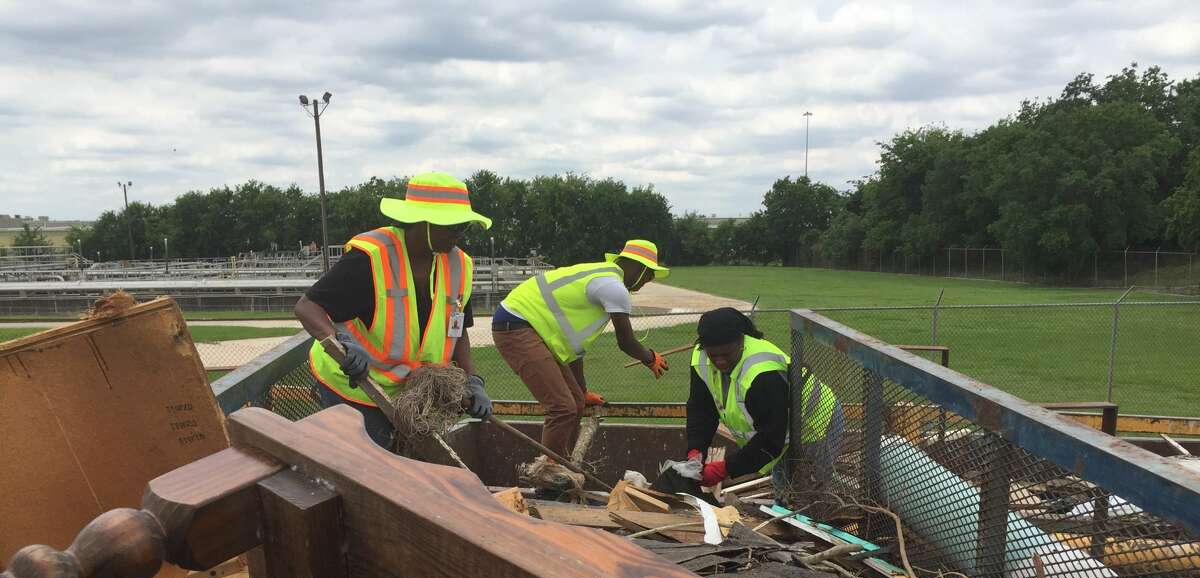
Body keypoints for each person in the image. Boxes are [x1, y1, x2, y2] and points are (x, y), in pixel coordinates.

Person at [294, 172, 493, 449]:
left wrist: (473, 381)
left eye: (464, 226)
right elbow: (307, 307)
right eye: (452, 226)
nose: (459, 233)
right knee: (370, 465)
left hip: (407, 390)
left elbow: (457, 330)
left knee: (402, 463)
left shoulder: (459, 265)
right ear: (423, 222)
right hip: (355, 384)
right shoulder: (371, 257)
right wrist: (343, 345)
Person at [492, 239, 670, 458]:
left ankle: (564, 467)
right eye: (650, 274)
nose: (649, 280)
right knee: (562, 408)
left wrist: (582, 391)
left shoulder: (602, 276)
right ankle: (549, 480)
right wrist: (650, 358)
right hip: (517, 324)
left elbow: (573, 348)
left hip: (529, 326)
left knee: (575, 403)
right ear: (639, 268)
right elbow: (626, 342)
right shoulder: (614, 287)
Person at [685, 307, 844, 500]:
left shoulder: (761, 373)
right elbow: (702, 409)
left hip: (816, 424)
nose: (720, 361)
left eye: (726, 354)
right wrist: (696, 449)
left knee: (809, 497)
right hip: (780, 431)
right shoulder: (701, 357)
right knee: (784, 496)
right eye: (713, 354)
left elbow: (771, 440)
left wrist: (725, 469)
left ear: (740, 341)